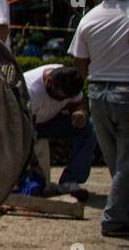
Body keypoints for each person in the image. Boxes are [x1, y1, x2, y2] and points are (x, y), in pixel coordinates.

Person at [70, 0, 129, 238]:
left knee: (116, 161)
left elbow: (80, 62)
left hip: (97, 94)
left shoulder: (90, 17)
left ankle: (121, 213)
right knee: (125, 163)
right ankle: (113, 219)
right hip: (126, 91)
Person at [23, 63, 95, 199]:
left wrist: (80, 112)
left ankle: (70, 180)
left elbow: (80, 101)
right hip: (27, 124)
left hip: (50, 121)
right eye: (59, 96)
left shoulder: (70, 80)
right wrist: (34, 165)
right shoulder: (32, 90)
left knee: (89, 128)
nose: (61, 100)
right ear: (49, 81)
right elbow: (23, 129)